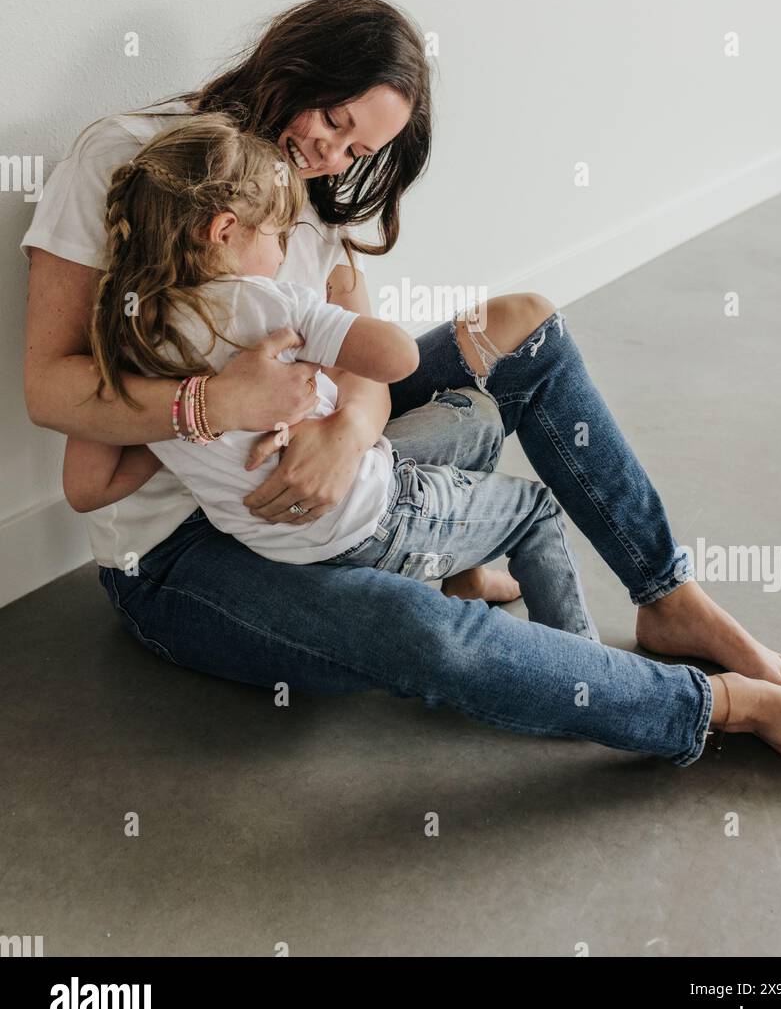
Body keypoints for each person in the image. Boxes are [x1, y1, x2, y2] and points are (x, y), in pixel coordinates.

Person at [23, 0, 781, 788]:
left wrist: (345, 433)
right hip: (185, 547)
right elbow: (50, 387)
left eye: (357, 151)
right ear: (292, 66)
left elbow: (368, 363)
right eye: (333, 119)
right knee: (415, 630)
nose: (328, 155)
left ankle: (666, 596)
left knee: (523, 323)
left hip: (321, 465)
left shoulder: (301, 194)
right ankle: (728, 710)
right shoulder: (129, 161)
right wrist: (214, 404)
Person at [64, 116, 601, 637]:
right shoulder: (266, 305)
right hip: (374, 515)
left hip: (279, 546)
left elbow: (88, 489)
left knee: (470, 417)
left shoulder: (126, 341)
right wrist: (312, 349)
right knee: (537, 510)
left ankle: (463, 577)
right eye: (281, 237)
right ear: (225, 230)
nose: (282, 255)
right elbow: (398, 358)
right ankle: (587, 672)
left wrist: (200, 416)